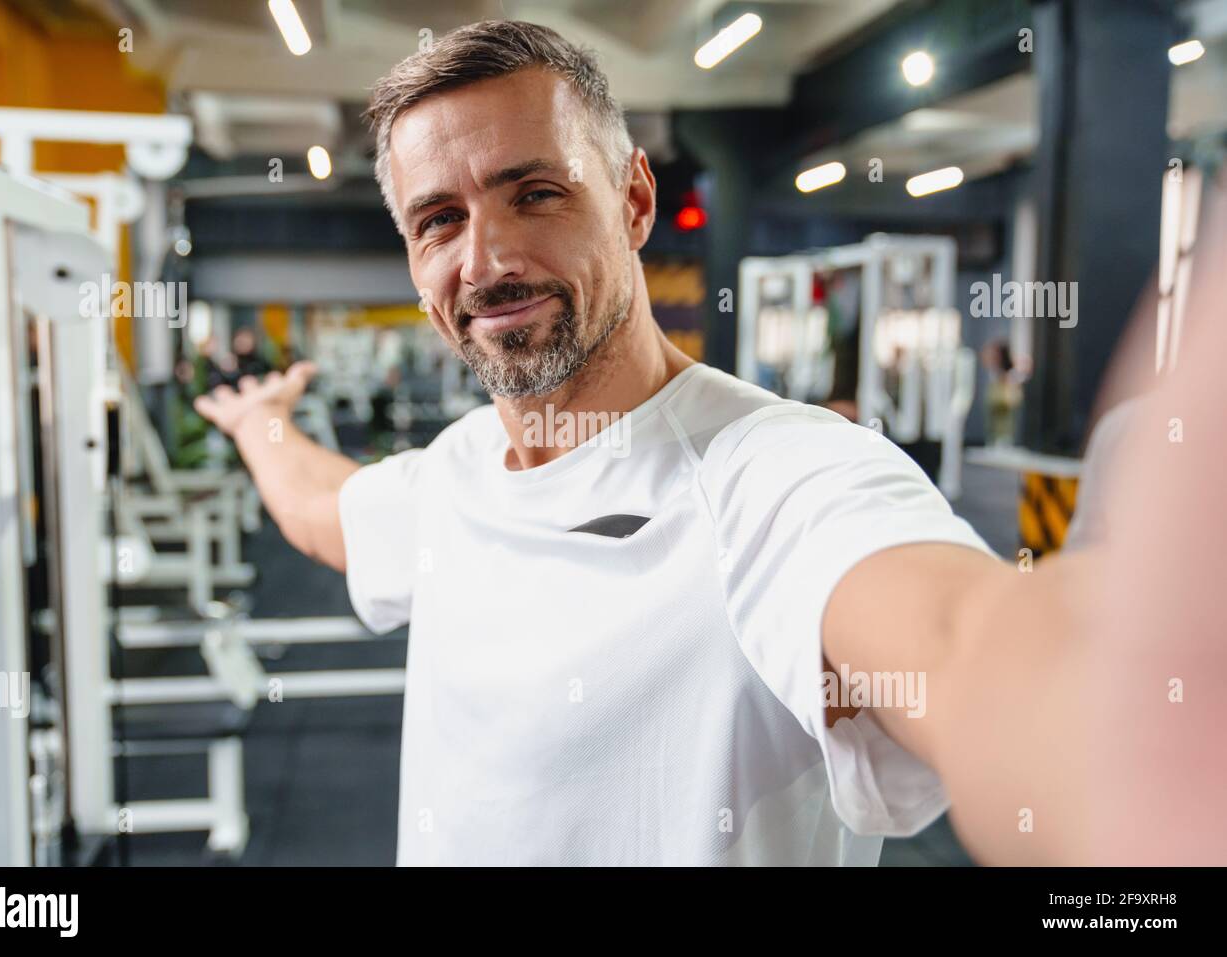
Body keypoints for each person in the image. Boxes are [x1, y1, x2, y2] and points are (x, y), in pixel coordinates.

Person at [196, 20, 1224, 865]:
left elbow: (962, 649)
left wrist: (1125, 708)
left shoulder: (779, 473)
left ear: (634, 199)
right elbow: (323, 509)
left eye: (535, 193)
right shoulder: (453, 476)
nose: (489, 258)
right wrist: (259, 421)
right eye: (438, 221)